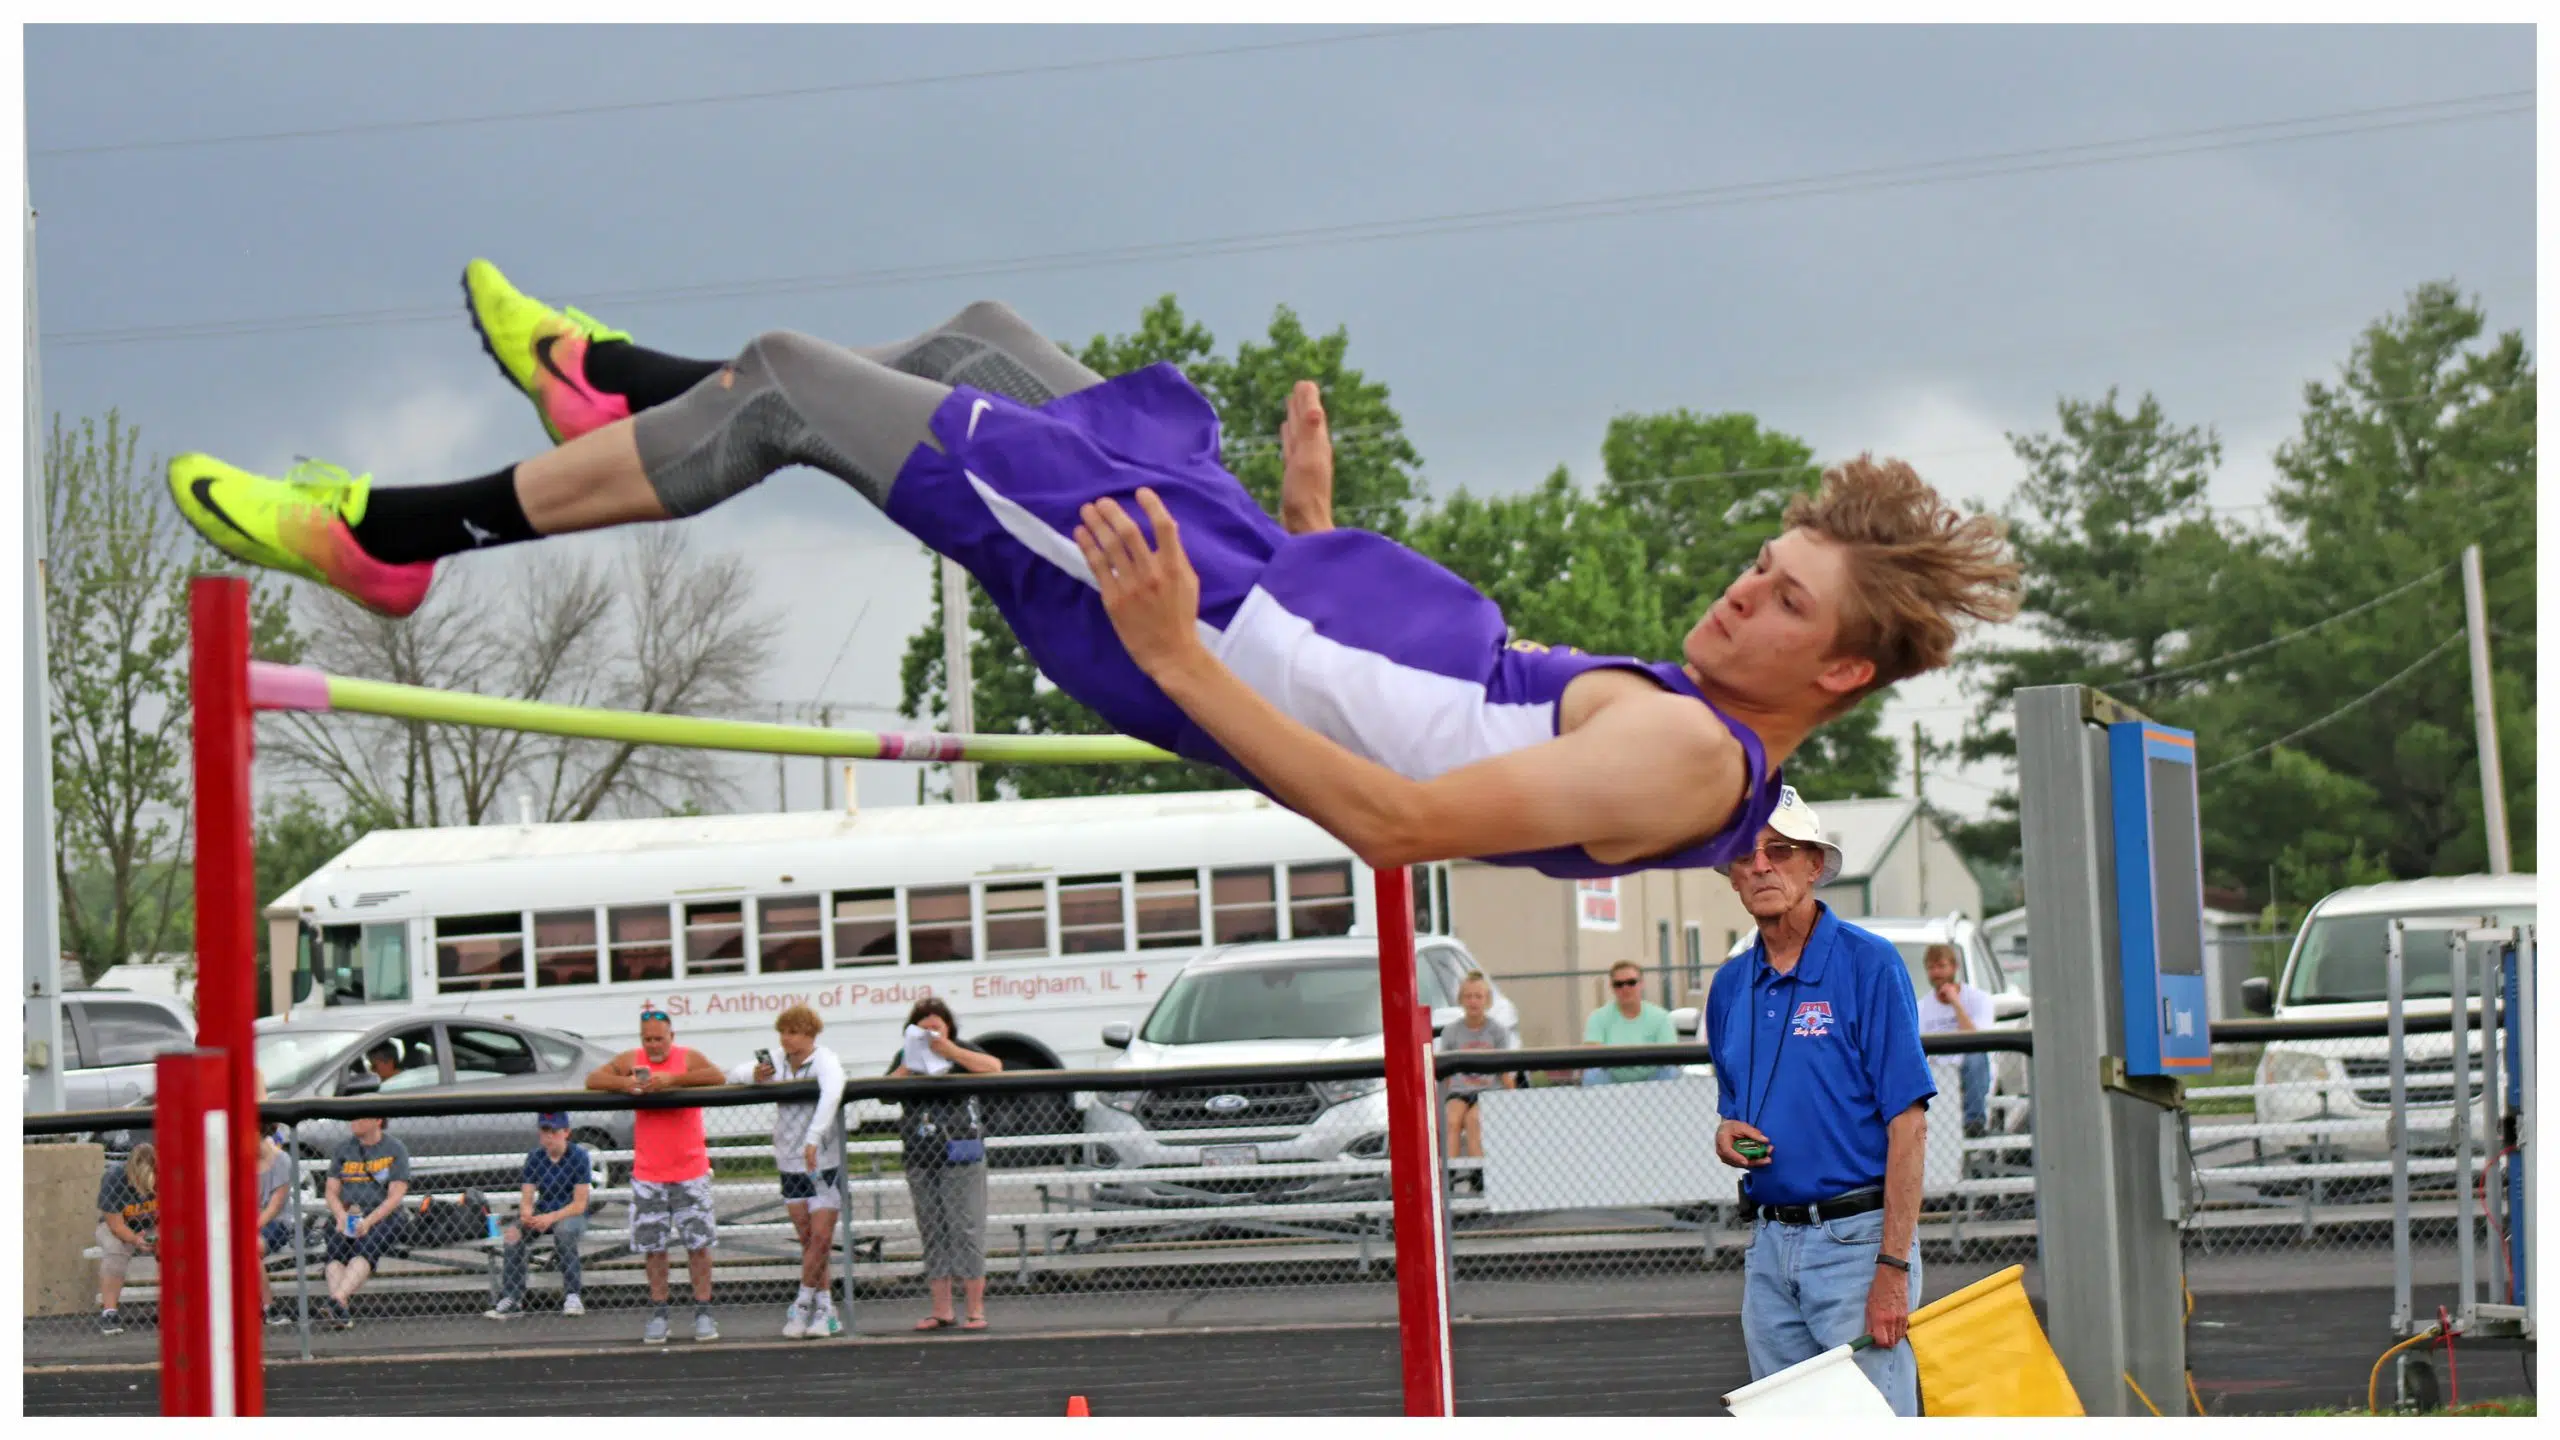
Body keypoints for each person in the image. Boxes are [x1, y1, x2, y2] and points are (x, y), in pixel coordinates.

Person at [169, 261, 2020, 881]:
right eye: (1762, 563)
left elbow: (1387, 807)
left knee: (811, 390)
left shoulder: (1693, 765)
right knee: (980, 340)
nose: (1738, 594)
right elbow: (1421, 671)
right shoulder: (1684, 703)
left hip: (1181, 612)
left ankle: (393, 539)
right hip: (1241, 570)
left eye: (1783, 603)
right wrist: (1315, 527)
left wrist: (1183, 648)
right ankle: (629, 403)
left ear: (1840, 676)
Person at [1705, 787, 1933, 1416]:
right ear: (1730, 877)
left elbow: (1908, 1126)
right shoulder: (1729, 986)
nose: (1761, 866)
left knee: (1874, 1421)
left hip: (1858, 1245)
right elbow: (1733, 1110)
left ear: (1813, 865)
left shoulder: (1868, 964)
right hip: (1770, 1247)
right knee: (1786, 1423)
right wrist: (1727, 1133)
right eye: (1745, 856)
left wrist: (1892, 1265)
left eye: (1779, 851)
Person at [587, 1005, 727, 1343]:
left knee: (698, 1245)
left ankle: (703, 1310)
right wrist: (626, 1084)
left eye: (659, 1039)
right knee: (654, 1247)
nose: (653, 1045)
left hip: (690, 1169)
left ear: (671, 1037)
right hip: (649, 1172)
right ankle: (659, 1312)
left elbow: (717, 1077)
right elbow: (592, 1080)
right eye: (648, 1039)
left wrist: (673, 1081)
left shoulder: (687, 1057)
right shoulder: (631, 1058)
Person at [725, 1004, 848, 1339]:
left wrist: (813, 1138)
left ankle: (802, 1304)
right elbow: (732, 1074)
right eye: (783, 1032)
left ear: (809, 1034)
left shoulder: (824, 1059)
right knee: (808, 1240)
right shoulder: (776, 1059)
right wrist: (754, 1076)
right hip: (788, 1162)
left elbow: (833, 1090)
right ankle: (827, 1308)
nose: (786, 1038)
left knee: (821, 1238)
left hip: (822, 1161)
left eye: (792, 1032)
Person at [885, 997, 1004, 1332]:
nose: (931, 1034)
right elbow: (885, 1092)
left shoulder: (962, 1050)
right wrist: (909, 1063)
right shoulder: (905, 1056)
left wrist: (949, 1051)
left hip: (961, 1151)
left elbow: (994, 1068)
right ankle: (942, 1309)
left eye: (936, 1027)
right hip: (921, 1154)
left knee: (966, 1226)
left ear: (949, 1027)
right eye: (923, 1029)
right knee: (933, 1229)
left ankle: (976, 1309)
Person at [484, 1112, 592, 1320]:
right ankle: (513, 1297)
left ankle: (572, 1294)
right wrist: (526, 1214)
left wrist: (550, 1218)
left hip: (570, 1213)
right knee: (514, 1234)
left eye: (554, 1131)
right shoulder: (535, 1156)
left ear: (566, 1132)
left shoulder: (579, 1156)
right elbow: (527, 1196)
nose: (548, 1137)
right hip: (543, 1211)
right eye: (544, 1131)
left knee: (564, 1232)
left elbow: (579, 1204)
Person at [321, 1113, 411, 1330]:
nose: (353, 1121)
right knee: (335, 1252)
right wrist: (340, 1216)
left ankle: (336, 1300)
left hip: (382, 1215)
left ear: (377, 1120)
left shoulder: (394, 1149)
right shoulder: (343, 1149)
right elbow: (331, 1192)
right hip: (348, 1213)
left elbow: (395, 1196)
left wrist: (369, 1221)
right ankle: (340, 1307)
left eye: (360, 1117)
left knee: (365, 1248)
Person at [1434, 971, 1518, 1186]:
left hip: (1488, 1091)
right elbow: (1445, 1074)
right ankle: (1448, 1176)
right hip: (1460, 1090)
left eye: (1478, 996)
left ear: (1487, 1000)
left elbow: (1504, 1071)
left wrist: (1514, 1098)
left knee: (1474, 1121)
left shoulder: (1497, 1031)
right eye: (1469, 996)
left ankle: (1477, 1176)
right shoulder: (1452, 1032)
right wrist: (1437, 1101)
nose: (1473, 1001)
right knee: (1452, 1120)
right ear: (1461, 999)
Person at [1918, 942, 1996, 1139]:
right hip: (1939, 1078)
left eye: (1941, 966)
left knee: (1976, 1056)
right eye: (1931, 967)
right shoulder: (1921, 1007)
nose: (1936, 973)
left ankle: (1974, 1124)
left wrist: (1955, 1002)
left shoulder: (1979, 999)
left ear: (1954, 967)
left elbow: (1978, 1041)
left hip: (1971, 1075)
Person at [94, 1141, 159, 1335]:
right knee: (115, 1250)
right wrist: (135, 1239)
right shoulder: (114, 1178)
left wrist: (159, 1237)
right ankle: (109, 1312)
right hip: (118, 1226)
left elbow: (171, 1214)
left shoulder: (167, 1174)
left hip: (151, 1225)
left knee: (176, 1243)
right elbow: (115, 1225)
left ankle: (178, 1307)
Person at [1582, 960, 1680, 1085]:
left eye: (1631, 982)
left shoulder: (1661, 1017)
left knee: (1670, 1072)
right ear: (1612, 987)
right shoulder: (1598, 1017)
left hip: (1653, 1077)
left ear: (1641, 984)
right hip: (1611, 1078)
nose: (1625, 988)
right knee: (1593, 1074)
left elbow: (1669, 1055)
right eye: (1619, 984)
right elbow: (1592, 1053)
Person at [257, 1124, 299, 1327]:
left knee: (248, 1249)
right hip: (245, 1224)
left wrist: (245, 1229)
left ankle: (268, 1308)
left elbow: (275, 1207)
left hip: (275, 1223)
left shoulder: (280, 1160)